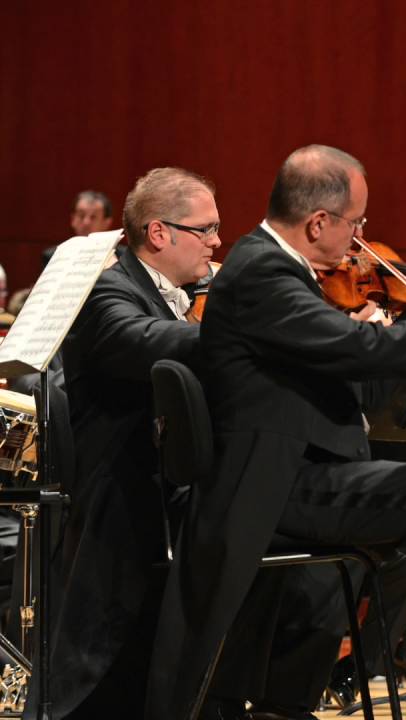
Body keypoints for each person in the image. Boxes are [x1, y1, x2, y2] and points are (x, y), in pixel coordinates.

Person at [146, 145, 406, 720]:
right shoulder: (261, 271)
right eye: (356, 224)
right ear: (319, 223)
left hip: (299, 475)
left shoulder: (281, 270)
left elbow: (353, 373)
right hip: (273, 487)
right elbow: (352, 346)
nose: (360, 236)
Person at [33, 168, 217, 718]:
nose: (216, 241)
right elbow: (138, 339)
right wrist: (242, 331)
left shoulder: (180, 294)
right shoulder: (109, 288)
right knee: (100, 670)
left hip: (157, 483)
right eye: (205, 229)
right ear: (160, 234)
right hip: (119, 494)